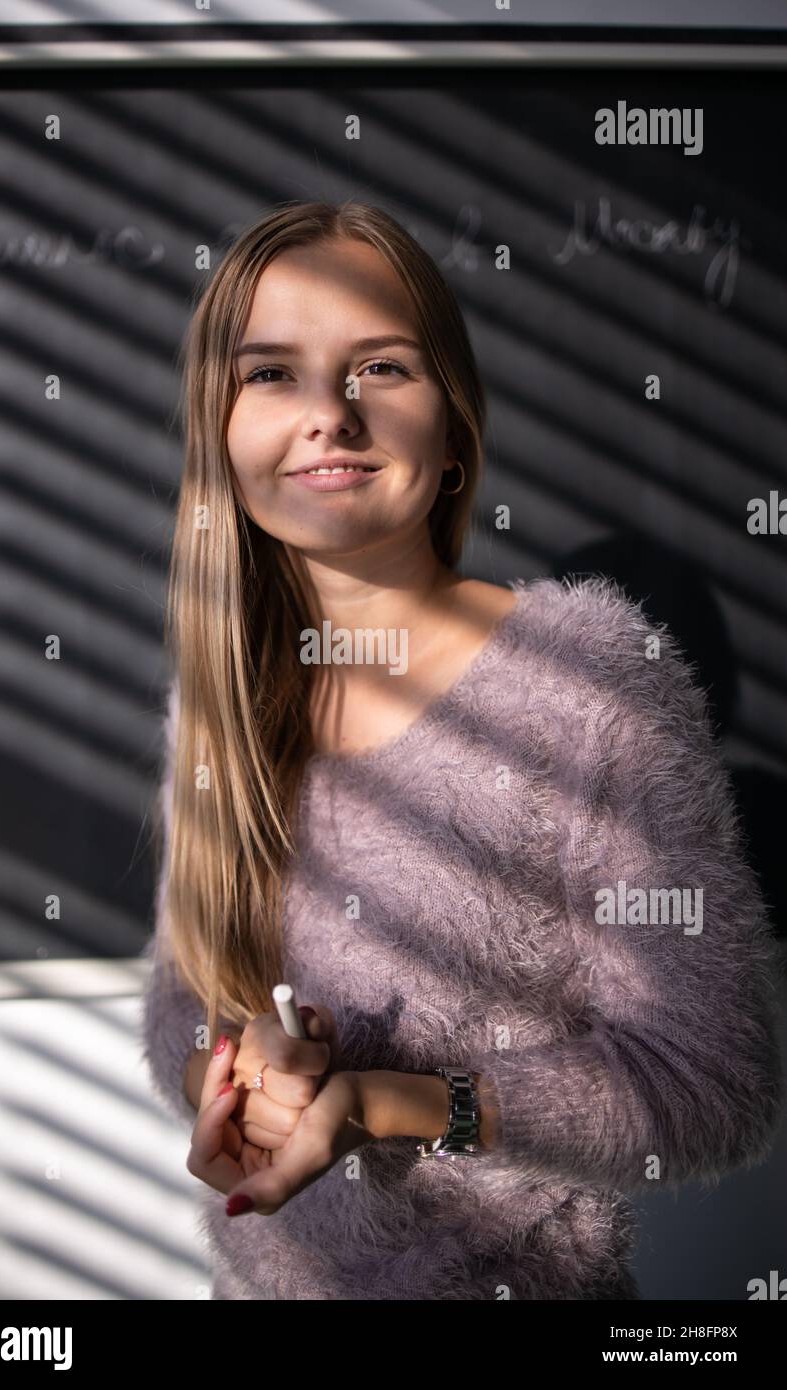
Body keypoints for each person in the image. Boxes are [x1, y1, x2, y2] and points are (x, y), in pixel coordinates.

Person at [140, 199, 784, 1300]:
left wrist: (391, 1101)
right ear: (220, 435)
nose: (329, 415)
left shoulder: (585, 683)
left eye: (379, 367)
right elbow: (179, 1008)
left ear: (451, 431)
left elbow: (711, 1083)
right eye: (271, 374)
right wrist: (237, 1079)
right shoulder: (224, 697)